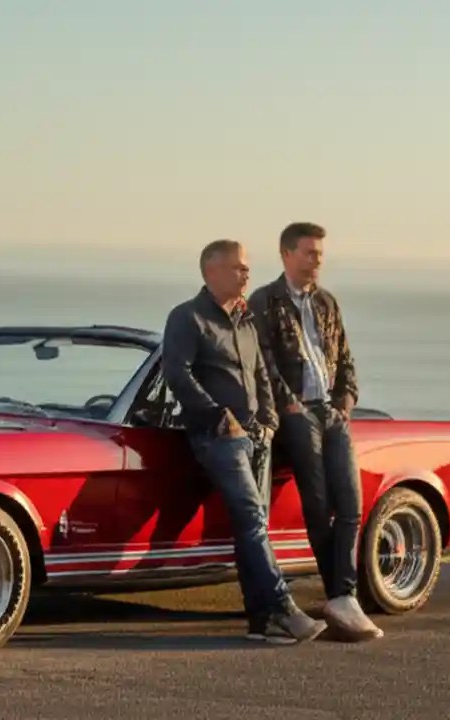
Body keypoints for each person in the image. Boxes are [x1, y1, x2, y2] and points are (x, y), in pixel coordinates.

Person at [162, 238, 327, 645]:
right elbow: (178, 374)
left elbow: (261, 376)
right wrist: (220, 416)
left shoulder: (246, 319)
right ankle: (284, 608)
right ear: (211, 272)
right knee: (253, 519)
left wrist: (269, 423)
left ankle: (260, 621)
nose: (246, 273)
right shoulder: (187, 318)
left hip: (258, 435)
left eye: (246, 267)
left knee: (252, 527)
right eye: (238, 268)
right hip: (217, 437)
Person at [248, 221, 383, 641]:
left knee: (351, 503)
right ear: (287, 255)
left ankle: (343, 596)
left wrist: (346, 401)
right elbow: (262, 361)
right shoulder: (264, 301)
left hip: (331, 411)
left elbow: (345, 358)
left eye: (320, 255)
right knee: (318, 500)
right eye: (309, 254)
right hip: (296, 412)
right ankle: (340, 594)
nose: (316, 262)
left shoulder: (327, 303)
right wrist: (288, 402)